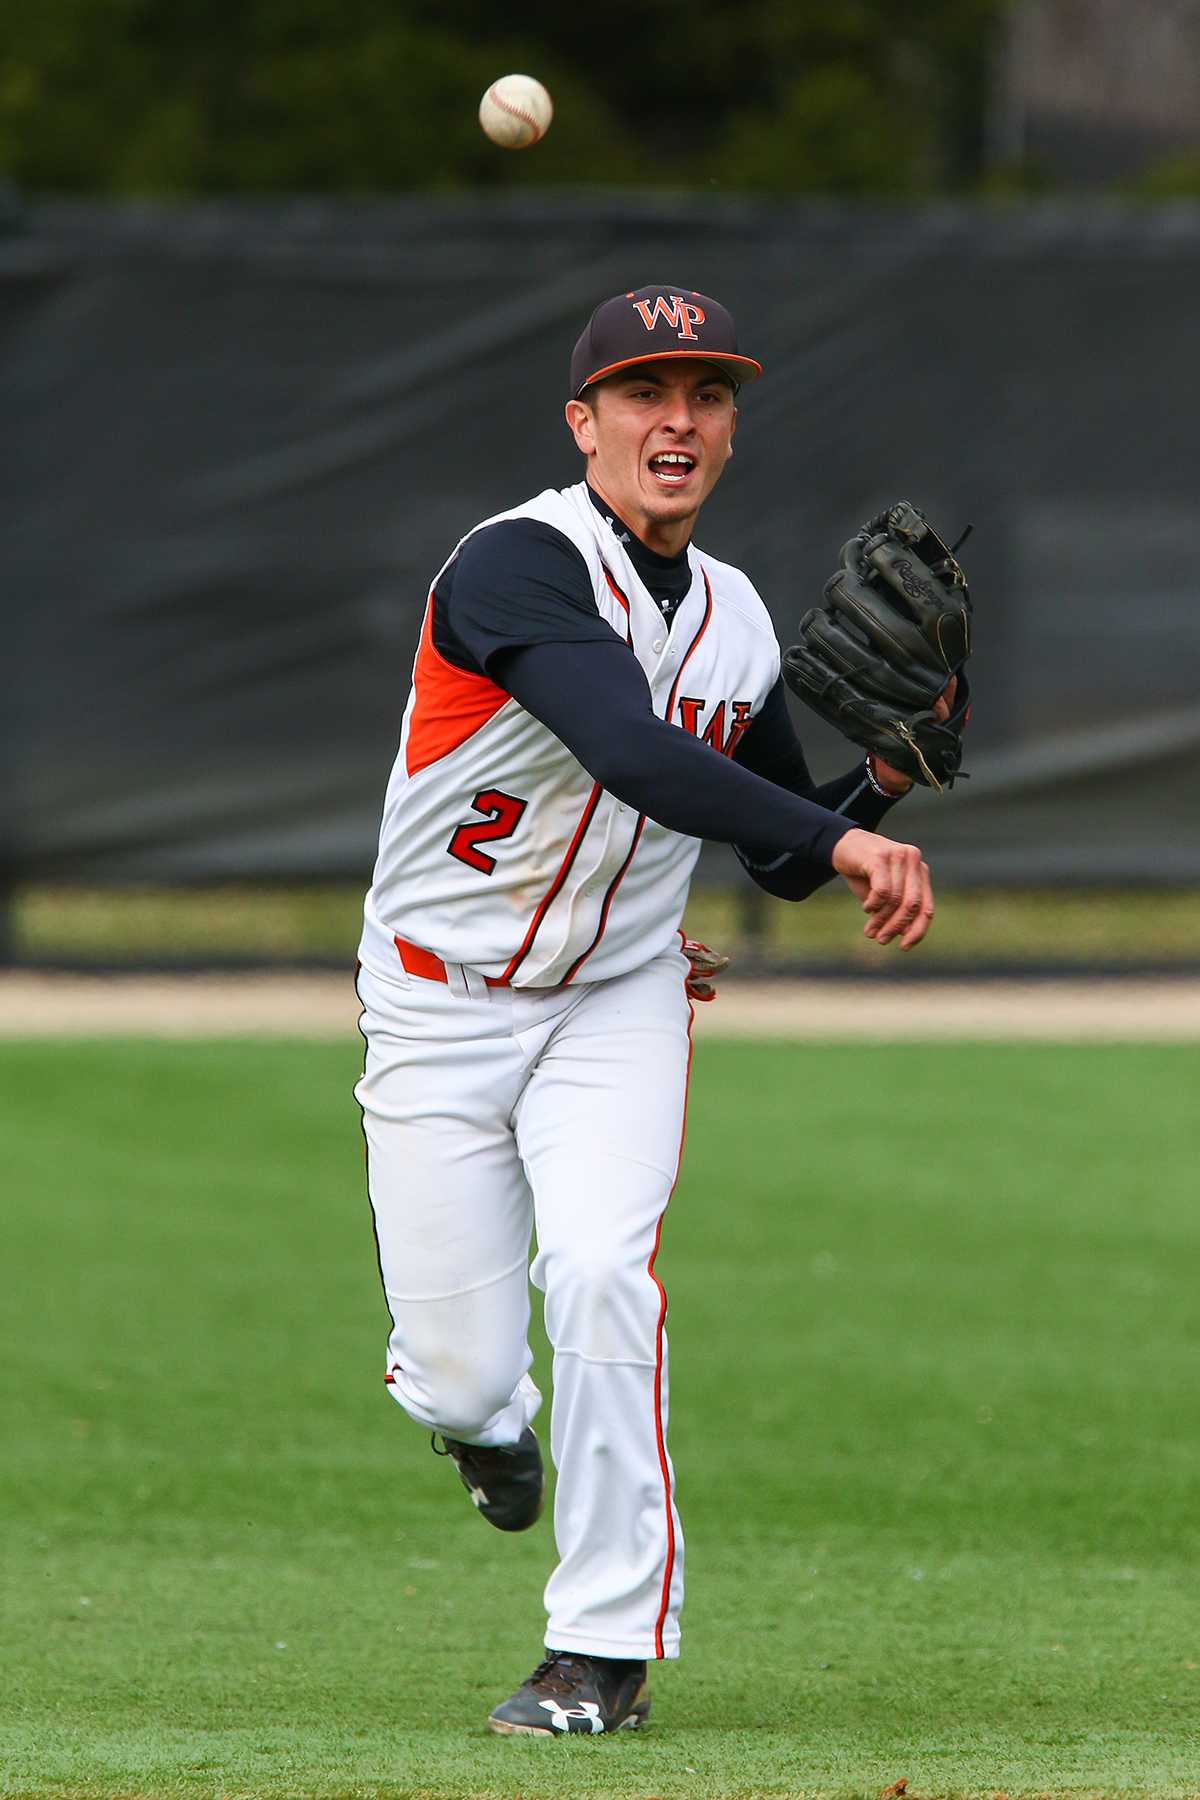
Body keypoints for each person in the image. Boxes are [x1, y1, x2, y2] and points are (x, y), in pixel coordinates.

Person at [354, 285, 945, 1737]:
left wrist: (884, 782)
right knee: (465, 1373)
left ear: (731, 430)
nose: (676, 420)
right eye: (643, 393)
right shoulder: (517, 567)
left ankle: (596, 1652)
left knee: (604, 1274)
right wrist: (847, 838)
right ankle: (479, 1426)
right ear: (585, 423)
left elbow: (771, 854)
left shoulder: (733, 614)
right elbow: (628, 751)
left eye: (708, 395)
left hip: (617, 997)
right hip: (438, 1003)